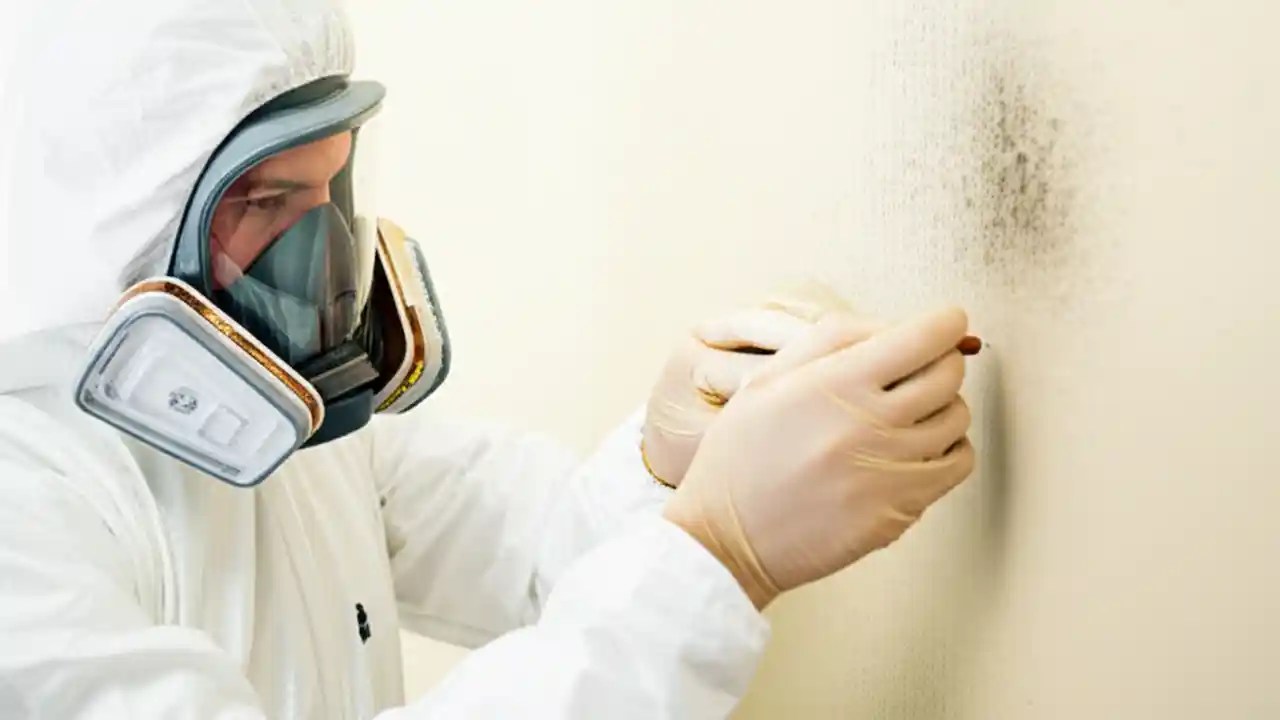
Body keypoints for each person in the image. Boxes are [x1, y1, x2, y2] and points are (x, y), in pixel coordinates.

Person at [0, 1, 976, 718]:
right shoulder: (23, 534)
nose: (325, 261)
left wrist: (666, 464)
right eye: (263, 202)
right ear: (109, 224)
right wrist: (721, 551)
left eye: (331, 192)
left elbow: (535, 550)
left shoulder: (280, 432)